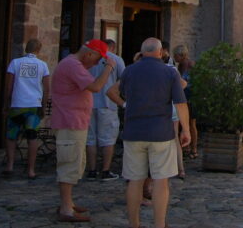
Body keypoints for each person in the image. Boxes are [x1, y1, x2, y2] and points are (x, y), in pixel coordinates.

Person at [108, 37, 190, 228]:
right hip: (160, 133)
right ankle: (159, 224)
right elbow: (180, 103)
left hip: (133, 132)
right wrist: (186, 130)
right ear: (160, 52)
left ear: (142, 51)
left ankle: (134, 224)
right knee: (161, 182)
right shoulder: (169, 72)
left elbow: (112, 91)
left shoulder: (130, 71)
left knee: (134, 181)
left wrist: (124, 105)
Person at [51, 39, 115, 223]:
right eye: (97, 59)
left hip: (74, 121)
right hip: (69, 121)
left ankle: (68, 203)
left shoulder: (73, 64)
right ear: (89, 53)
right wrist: (108, 68)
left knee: (75, 163)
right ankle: (65, 209)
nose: (96, 63)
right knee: (69, 164)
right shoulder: (72, 65)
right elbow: (95, 87)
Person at [2, 38, 50, 180]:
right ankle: (31, 170)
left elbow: (9, 85)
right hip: (33, 105)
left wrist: (6, 103)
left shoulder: (15, 63)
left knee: (12, 136)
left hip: (17, 104)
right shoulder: (43, 65)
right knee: (32, 137)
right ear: (38, 50)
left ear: (26, 49)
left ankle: (10, 166)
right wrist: (44, 105)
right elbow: (47, 88)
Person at [85, 39, 125, 181]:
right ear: (112, 47)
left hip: (89, 102)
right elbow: (124, 79)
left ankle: (92, 169)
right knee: (107, 138)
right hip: (108, 103)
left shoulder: (89, 58)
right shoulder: (115, 59)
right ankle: (105, 170)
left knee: (91, 138)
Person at [172, 45, 198, 159]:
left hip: (189, 96)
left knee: (190, 124)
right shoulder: (182, 65)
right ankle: (189, 148)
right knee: (188, 124)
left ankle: (193, 148)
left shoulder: (187, 65)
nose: (174, 58)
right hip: (188, 96)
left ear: (181, 55)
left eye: (176, 55)